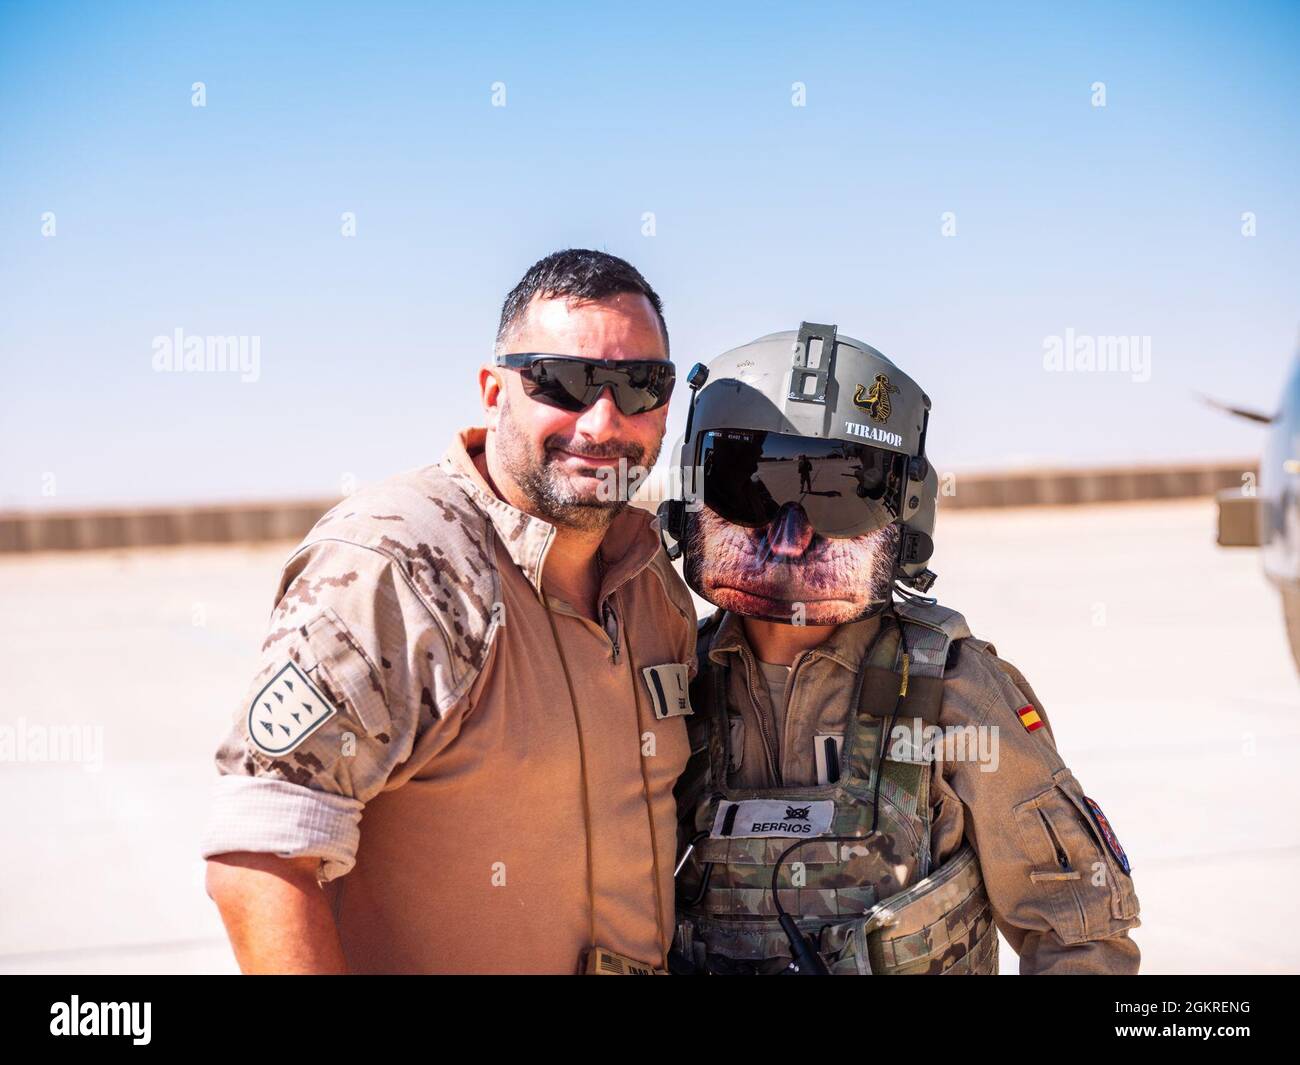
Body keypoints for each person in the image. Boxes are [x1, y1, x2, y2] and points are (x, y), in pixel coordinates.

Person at [202, 249, 699, 974]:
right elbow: (260, 856)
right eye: (564, 380)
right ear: (493, 391)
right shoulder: (400, 564)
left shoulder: (653, 583)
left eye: (640, 385)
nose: (603, 420)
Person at [659, 322, 1141, 974]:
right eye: (752, 487)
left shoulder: (952, 688)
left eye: (839, 496)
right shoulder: (667, 685)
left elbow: (1076, 926)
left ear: (905, 512)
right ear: (692, 493)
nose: (792, 537)